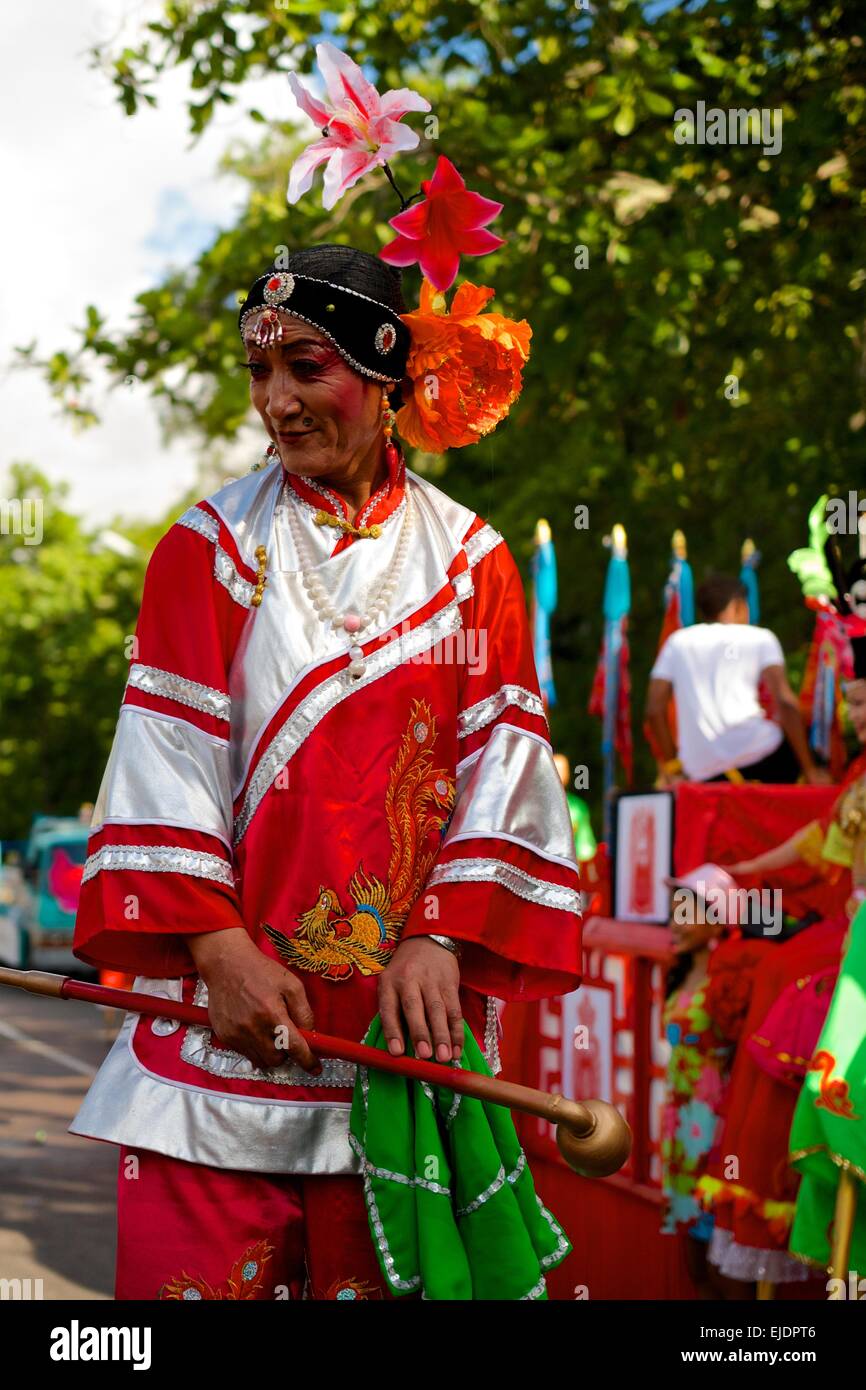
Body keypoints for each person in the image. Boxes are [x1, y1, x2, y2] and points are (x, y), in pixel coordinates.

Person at [67, 57, 583, 1299]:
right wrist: (216, 942)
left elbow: (505, 760)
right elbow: (167, 748)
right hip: (220, 1036)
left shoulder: (473, 562)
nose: (277, 403)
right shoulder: (210, 546)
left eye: (309, 368)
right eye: (259, 372)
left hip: (398, 1052)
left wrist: (444, 940)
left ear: (389, 378)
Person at [646, 574, 830, 788]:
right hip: (761, 757)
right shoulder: (759, 638)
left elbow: (654, 709)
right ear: (738, 606)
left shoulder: (677, 642)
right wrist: (810, 769)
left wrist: (674, 768)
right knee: (812, 736)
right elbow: (785, 702)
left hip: (700, 770)